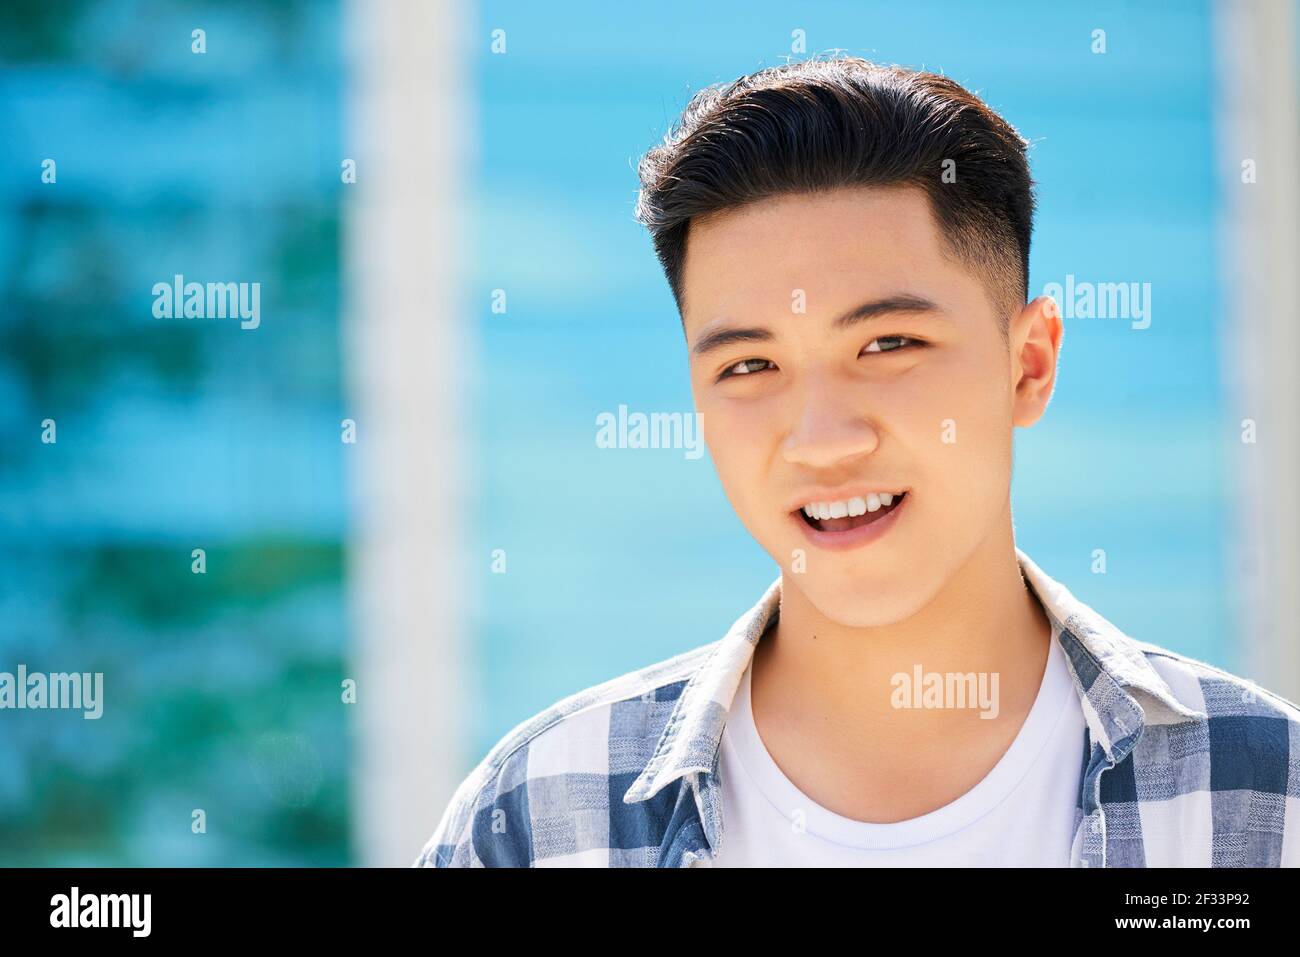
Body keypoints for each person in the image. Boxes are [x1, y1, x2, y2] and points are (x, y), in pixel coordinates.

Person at [416, 55, 1300, 868]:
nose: (822, 439)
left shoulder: (1267, 797)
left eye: (888, 343)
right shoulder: (538, 821)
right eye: (749, 365)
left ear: (1028, 363)